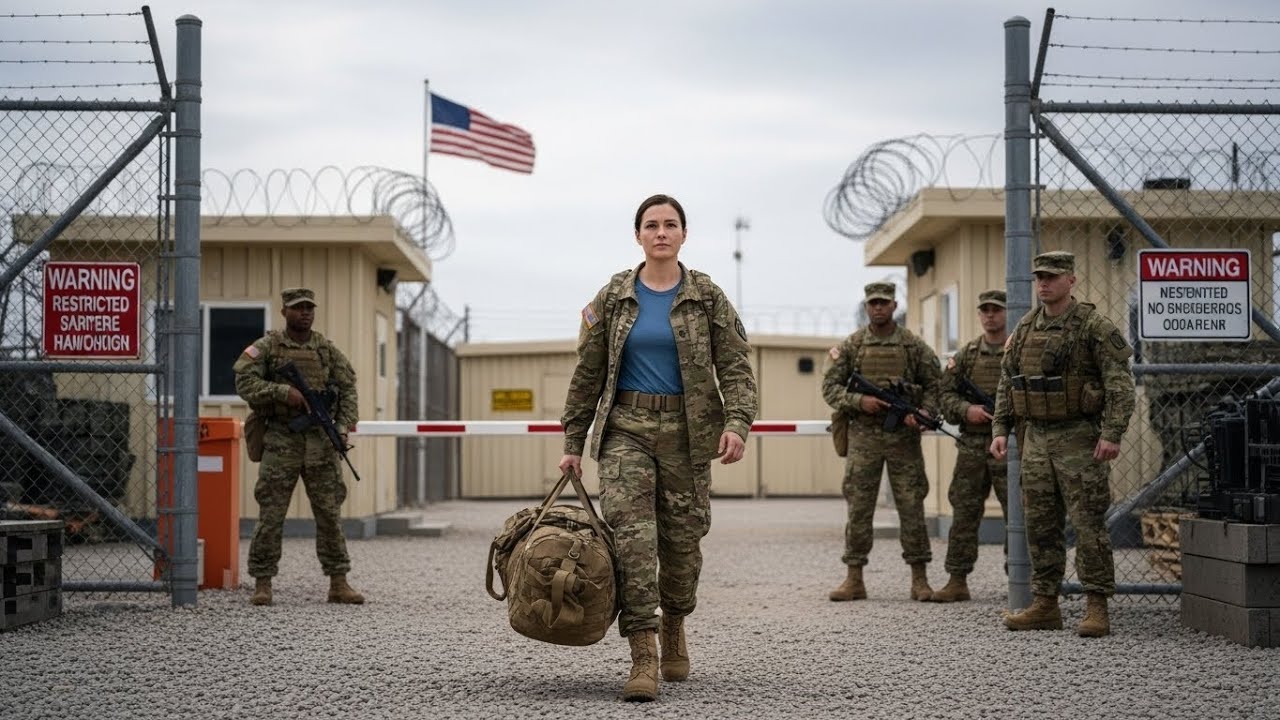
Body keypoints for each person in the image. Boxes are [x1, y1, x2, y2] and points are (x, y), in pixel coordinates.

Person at [559, 194, 758, 703]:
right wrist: (573, 442)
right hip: (626, 428)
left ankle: (675, 623)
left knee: (682, 544)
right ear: (639, 235)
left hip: (688, 435)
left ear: (684, 235)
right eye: (652, 225)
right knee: (633, 542)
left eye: (671, 225)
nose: (661, 232)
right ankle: (642, 653)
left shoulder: (706, 297)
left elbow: (735, 366)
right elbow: (587, 373)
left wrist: (736, 423)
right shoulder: (614, 297)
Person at [990, 251, 1135, 637]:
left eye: (1052, 277)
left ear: (1071, 279)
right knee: (1040, 524)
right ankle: (1045, 605)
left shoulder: (1093, 327)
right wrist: (1000, 429)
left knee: (1088, 524)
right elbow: (1008, 382)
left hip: (1079, 439)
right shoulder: (1024, 328)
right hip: (1034, 438)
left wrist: (1111, 433)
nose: (1044, 283)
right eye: (1039, 276)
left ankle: (1096, 606)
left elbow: (1120, 385)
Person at [233, 287, 364, 607]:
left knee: (329, 514)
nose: (305, 312)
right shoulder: (268, 347)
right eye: (297, 308)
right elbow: (243, 381)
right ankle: (262, 583)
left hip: (321, 442)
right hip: (281, 440)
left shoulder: (325, 350)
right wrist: (282, 393)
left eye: (309, 307)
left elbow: (348, 388)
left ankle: (338, 582)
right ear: (284, 312)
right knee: (271, 514)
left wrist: (342, 426)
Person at [823, 281, 942, 603]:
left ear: (893, 306)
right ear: (867, 306)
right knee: (859, 509)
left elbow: (935, 384)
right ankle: (854, 578)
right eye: (873, 303)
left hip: (903, 438)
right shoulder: (853, 346)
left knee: (911, 506)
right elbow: (830, 388)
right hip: (863, 437)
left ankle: (920, 579)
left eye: (884, 303)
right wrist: (861, 402)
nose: (878, 308)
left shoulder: (912, 346)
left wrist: (924, 411)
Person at [931, 289, 1011, 603]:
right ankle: (957, 579)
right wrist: (968, 411)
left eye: (996, 310)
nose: (990, 315)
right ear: (979, 315)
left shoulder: (1016, 350)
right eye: (985, 310)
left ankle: (1020, 578)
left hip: (1010, 446)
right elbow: (944, 394)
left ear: (1006, 312)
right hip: (972, 445)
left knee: (1019, 515)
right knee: (964, 512)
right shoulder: (966, 355)